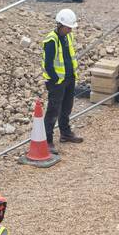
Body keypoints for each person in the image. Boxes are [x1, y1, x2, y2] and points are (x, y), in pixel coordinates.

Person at [41, 8, 83, 152]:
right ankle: (47, 140)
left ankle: (65, 133)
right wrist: (56, 79)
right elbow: (48, 64)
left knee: (66, 107)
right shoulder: (51, 40)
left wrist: (70, 75)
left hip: (69, 78)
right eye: (68, 28)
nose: (70, 30)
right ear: (60, 25)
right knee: (53, 110)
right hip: (57, 82)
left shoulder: (67, 37)